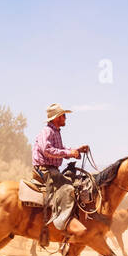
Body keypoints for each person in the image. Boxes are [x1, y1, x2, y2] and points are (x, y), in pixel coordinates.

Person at [33, 103, 90, 240]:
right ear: (57, 117)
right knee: (67, 189)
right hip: (45, 169)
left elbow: (60, 149)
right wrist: (69, 153)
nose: (65, 118)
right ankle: (63, 224)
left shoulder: (55, 132)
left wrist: (76, 150)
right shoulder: (47, 131)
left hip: (52, 169)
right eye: (63, 115)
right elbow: (47, 150)